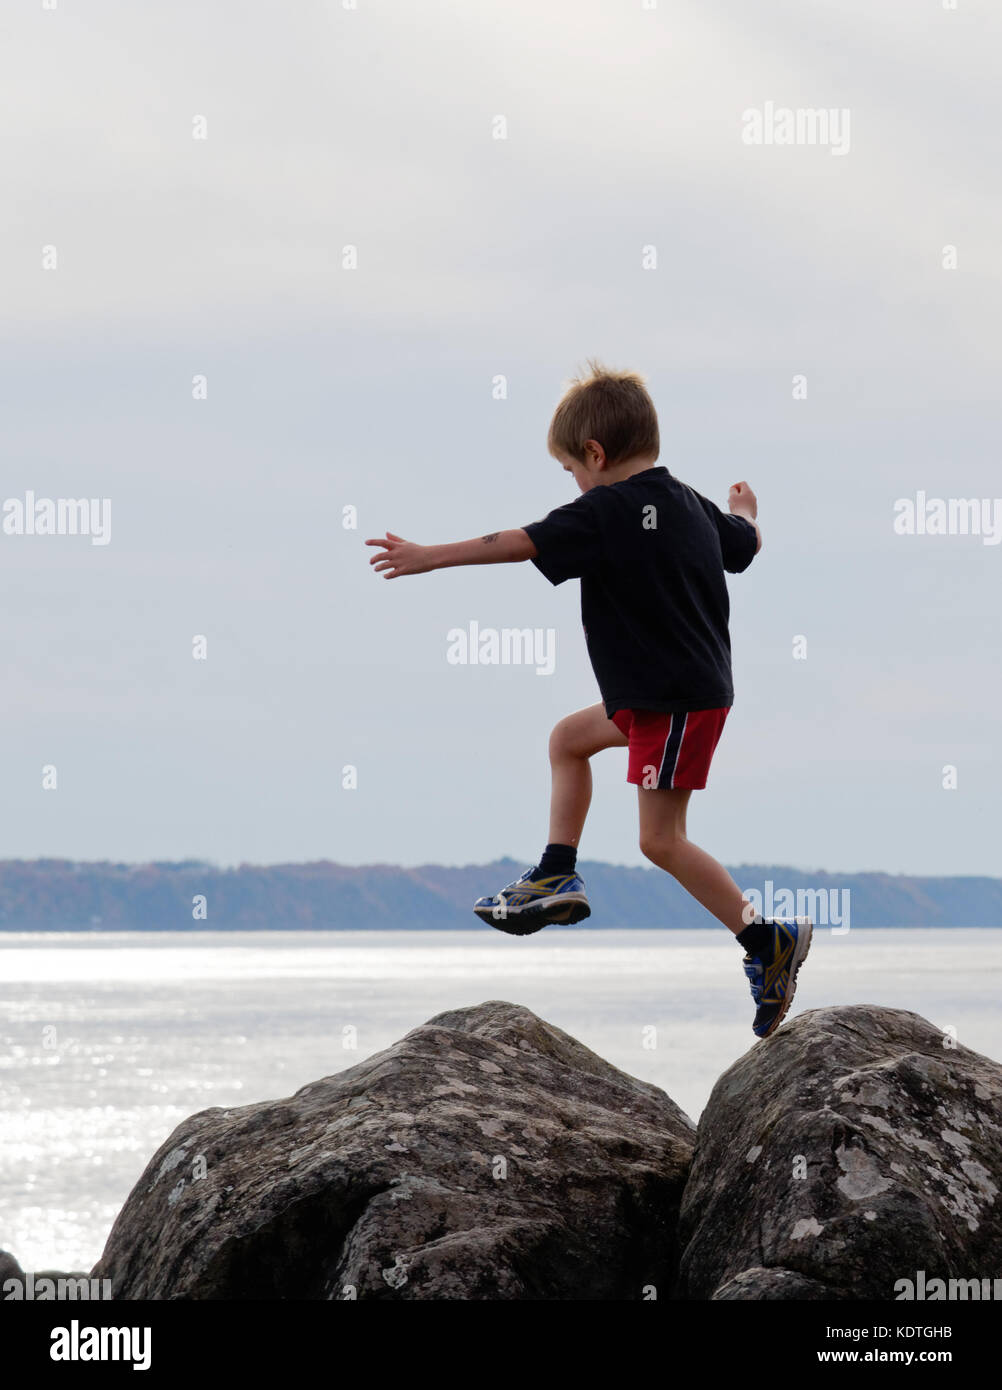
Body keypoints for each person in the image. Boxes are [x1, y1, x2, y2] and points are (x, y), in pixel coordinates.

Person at [366, 362, 811, 1039]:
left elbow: (520, 543)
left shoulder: (606, 509)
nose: (572, 485)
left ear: (595, 455)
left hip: (674, 702)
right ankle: (556, 874)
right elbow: (745, 544)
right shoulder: (689, 503)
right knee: (568, 740)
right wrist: (745, 507)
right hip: (659, 695)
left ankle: (766, 939)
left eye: (571, 469)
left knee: (659, 840)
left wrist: (431, 557)